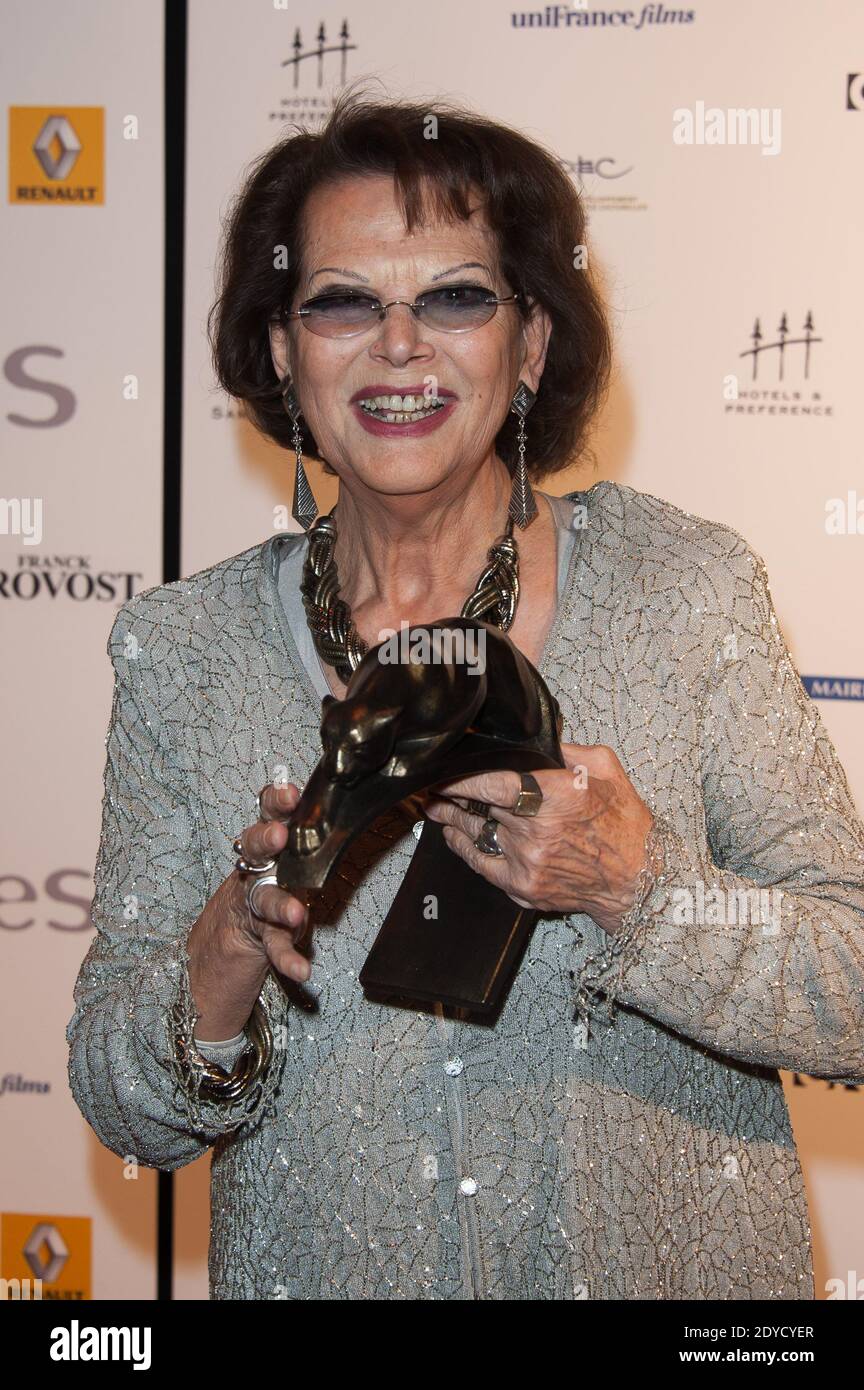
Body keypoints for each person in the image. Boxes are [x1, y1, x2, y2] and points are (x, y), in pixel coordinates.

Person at [68, 89, 864, 1300]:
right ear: (282, 351)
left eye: (455, 297)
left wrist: (634, 889)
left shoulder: (687, 591)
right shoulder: (182, 651)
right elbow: (130, 1111)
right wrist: (230, 938)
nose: (399, 344)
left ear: (531, 344)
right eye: (342, 301)